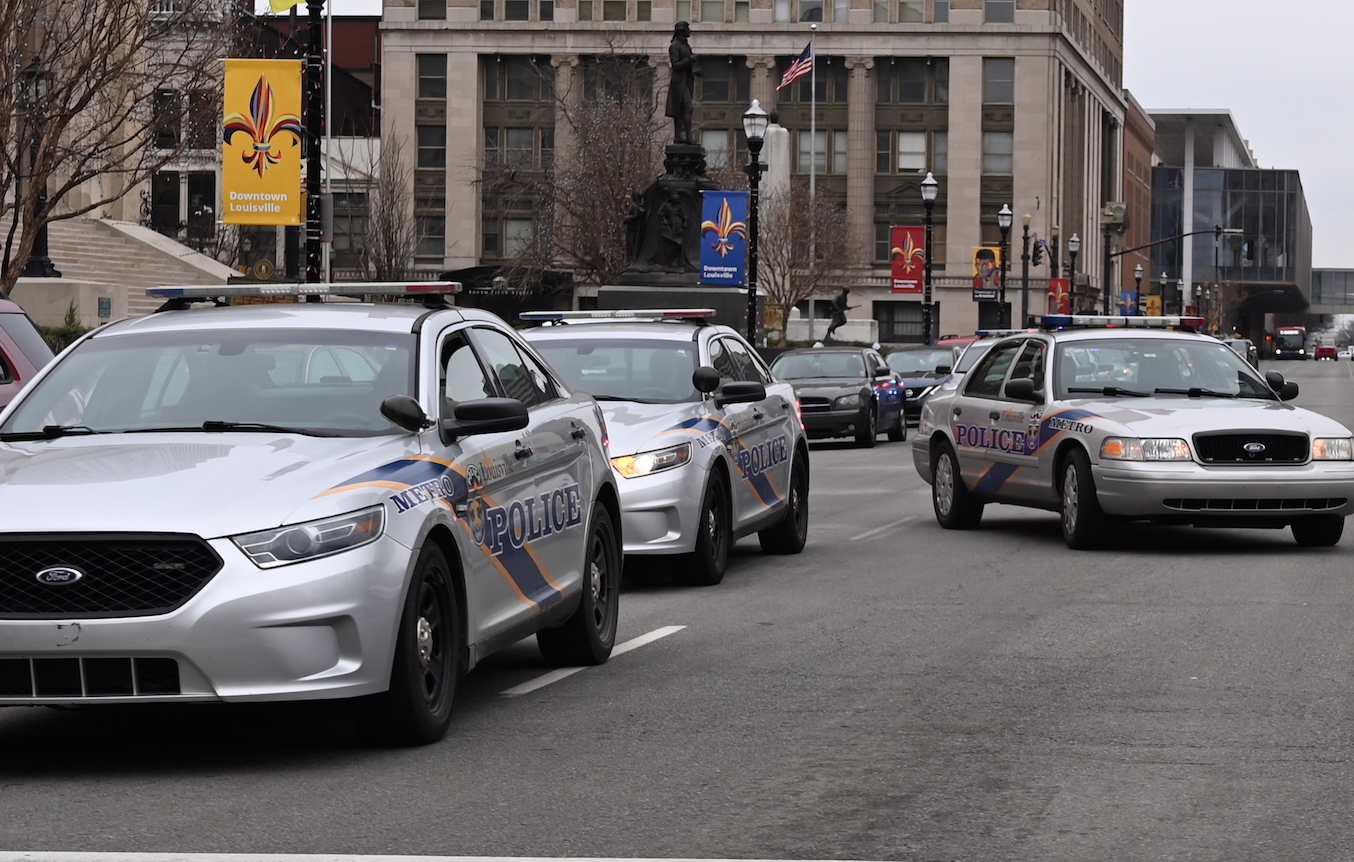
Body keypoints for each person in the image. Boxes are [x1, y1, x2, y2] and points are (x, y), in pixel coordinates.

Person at [666, 22, 700, 145]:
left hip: (686, 81)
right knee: (687, 108)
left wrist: (695, 69)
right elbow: (676, 65)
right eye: (687, 29)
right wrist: (689, 60)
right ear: (682, 30)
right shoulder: (675, 46)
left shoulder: (685, 45)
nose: (689, 31)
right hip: (679, 82)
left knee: (682, 110)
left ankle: (679, 136)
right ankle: (686, 136)